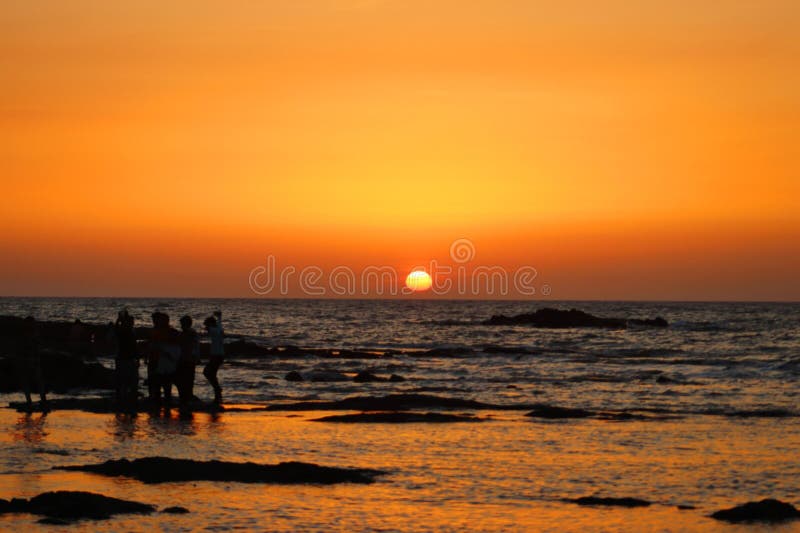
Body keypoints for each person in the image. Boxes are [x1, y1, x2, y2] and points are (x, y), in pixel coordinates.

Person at [17, 316, 47, 412]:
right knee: (37, 382)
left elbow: (24, 348)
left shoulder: (27, 334)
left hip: (29, 361)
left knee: (29, 382)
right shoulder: (34, 334)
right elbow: (38, 347)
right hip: (33, 361)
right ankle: (42, 401)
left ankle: (31, 402)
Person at [149, 311, 179, 407]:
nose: (155, 321)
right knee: (156, 382)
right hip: (155, 359)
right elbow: (152, 345)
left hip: (163, 360)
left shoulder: (169, 331)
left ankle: (164, 401)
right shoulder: (156, 330)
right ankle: (157, 400)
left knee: (165, 382)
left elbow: (173, 345)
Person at [114, 309, 138, 411]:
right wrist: (119, 320)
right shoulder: (125, 331)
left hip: (128, 358)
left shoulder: (129, 331)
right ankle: (124, 399)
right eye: (131, 322)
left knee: (129, 380)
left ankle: (126, 399)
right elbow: (117, 330)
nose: (133, 323)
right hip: (124, 358)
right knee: (124, 380)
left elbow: (134, 346)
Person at [176, 315, 199, 410]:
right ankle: (187, 397)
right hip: (187, 359)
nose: (181, 325)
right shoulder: (191, 333)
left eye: (182, 323)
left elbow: (192, 347)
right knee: (187, 380)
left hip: (186, 360)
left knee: (185, 380)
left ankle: (186, 398)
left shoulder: (188, 333)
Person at [203, 311, 224, 405]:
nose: (206, 328)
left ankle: (217, 389)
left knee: (207, 372)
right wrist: (219, 316)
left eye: (207, 325)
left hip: (216, 355)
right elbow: (218, 324)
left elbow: (212, 328)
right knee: (212, 373)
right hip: (218, 355)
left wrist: (209, 325)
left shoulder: (214, 330)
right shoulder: (218, 328)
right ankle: (217, 392)